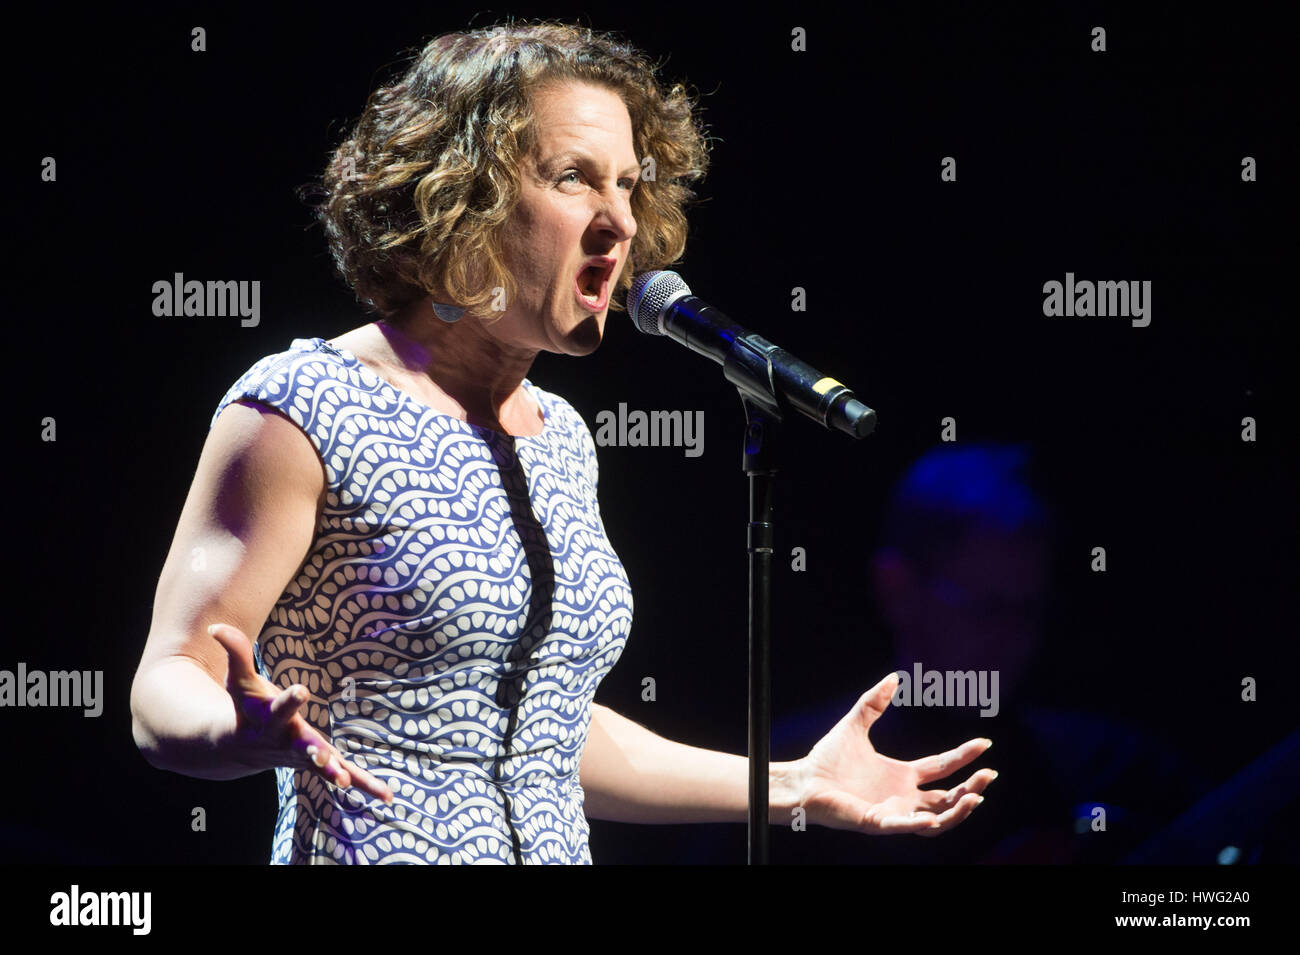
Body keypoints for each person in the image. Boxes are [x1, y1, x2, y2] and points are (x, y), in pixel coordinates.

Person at [129, 20, 995, 864]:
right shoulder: (301, 405)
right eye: (576, 177)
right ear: (461, 197)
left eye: (629, 182)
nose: (620, 220)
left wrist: (795, 785)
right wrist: (232, 731)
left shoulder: (560, 437)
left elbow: (549, 733)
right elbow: (168, 678)